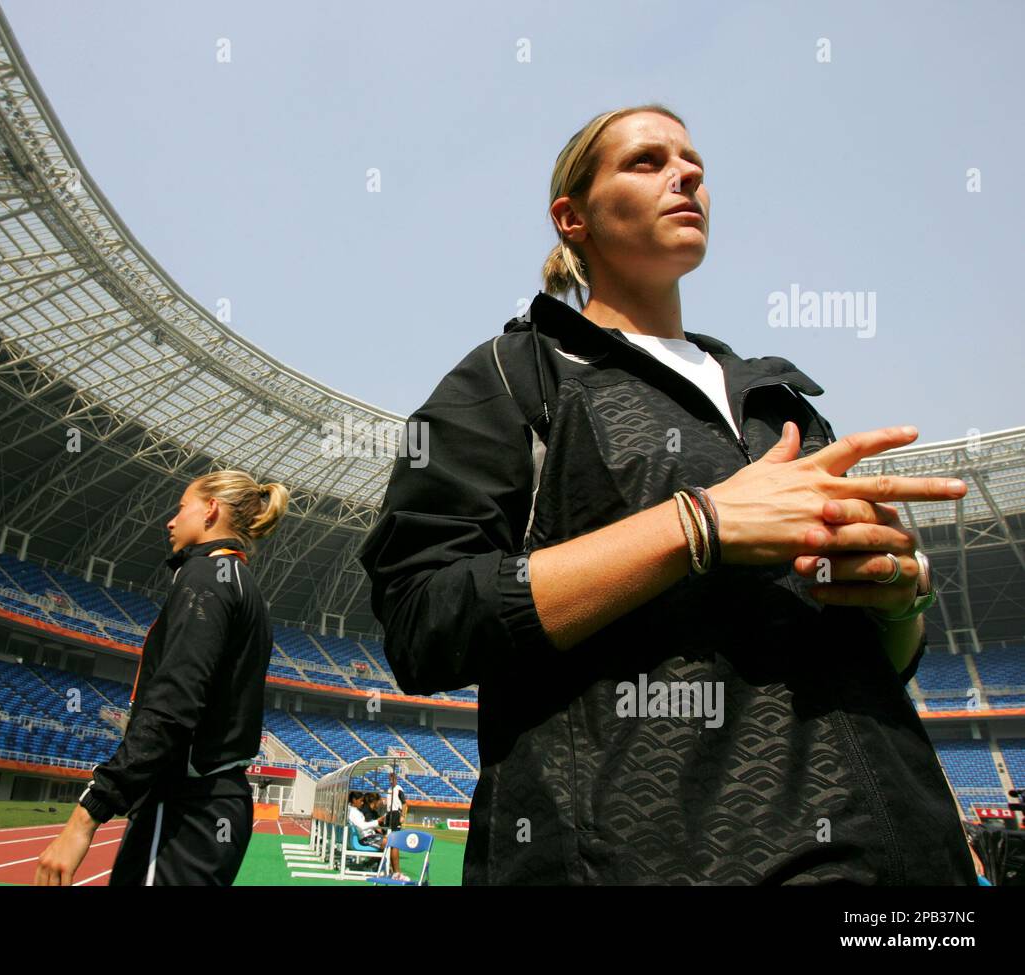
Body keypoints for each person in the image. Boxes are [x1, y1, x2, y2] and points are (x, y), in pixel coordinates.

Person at [357, 104, 976, 885]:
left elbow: (882, 662)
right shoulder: (514, 377)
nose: (687, 175)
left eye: (694, 163)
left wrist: (896, 600)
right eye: (646, 161)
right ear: (570, 217)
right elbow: (424, 620)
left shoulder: (779, 399)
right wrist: (699, 524)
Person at [35, 472, 289, 885]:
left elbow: (172, 705)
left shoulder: (206, 576)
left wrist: (86, 815)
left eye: (181, 507)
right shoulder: (246, 588)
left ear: (211, 509)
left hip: (185, 810)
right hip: (213, 808)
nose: (170, 521)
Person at [347, 791, 407, 880]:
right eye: (360, 801)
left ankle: (369, 865)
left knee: (389, 842)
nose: (362, 803)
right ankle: (396, 873)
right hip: (365, 839)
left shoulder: (352, 810)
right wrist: (377, 822)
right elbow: (362, 826)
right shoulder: (353, 812)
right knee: (393, 843)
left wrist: (377, 823)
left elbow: (362, 825)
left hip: (366, 837)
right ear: (354, 800)